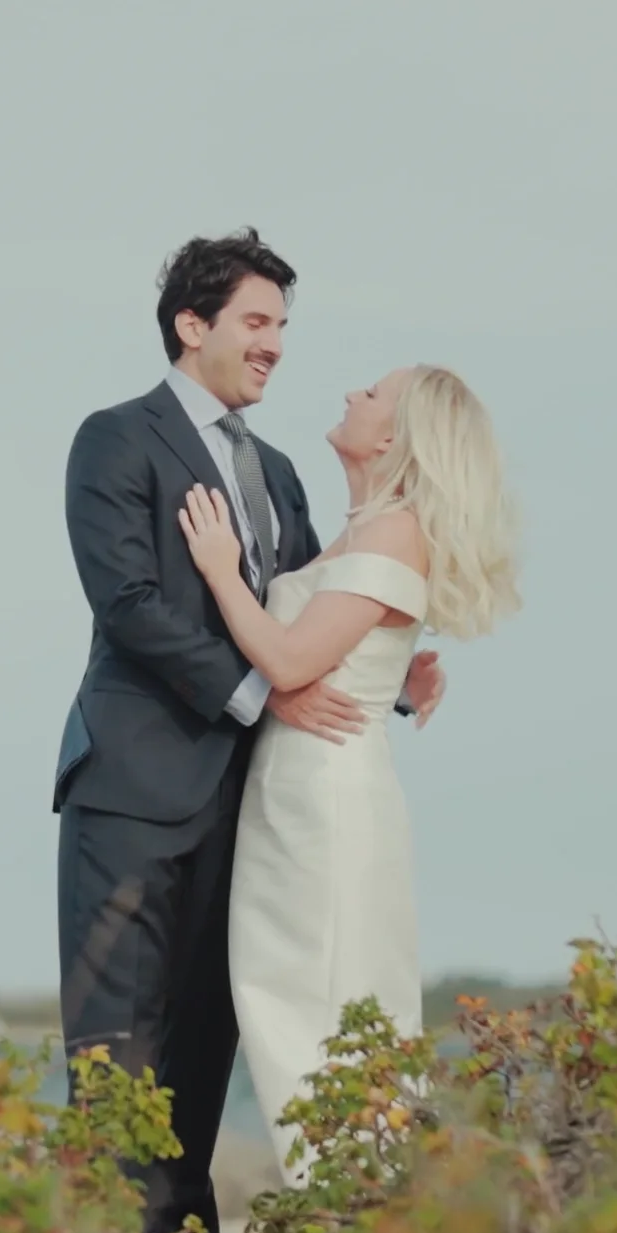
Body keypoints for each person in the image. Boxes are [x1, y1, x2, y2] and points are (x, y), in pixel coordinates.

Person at [52, 231, 447, 1233]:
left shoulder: (277, 472)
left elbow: (318, 613)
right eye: (256, 323)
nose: (275, 346)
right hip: (133, 788)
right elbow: (129, 603)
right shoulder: (115, 439)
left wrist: (395, 675)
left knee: (206, 1034)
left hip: (251, 809)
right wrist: (255, 695)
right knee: (116, 1034)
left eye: (282, 327)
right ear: (194, 325)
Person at [177, 365, 520, 1168]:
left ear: (396, 436)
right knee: (297, 993)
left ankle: (354, 1190)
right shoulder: (366, 528)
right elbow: (339, 642)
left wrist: (223, 572)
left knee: (323, 993)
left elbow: (292, 659)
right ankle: (346, 1185)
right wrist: (398, 675)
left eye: (371, 396)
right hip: (297, 791)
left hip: (326, 796)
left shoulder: (395, 531)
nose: (350, 397)